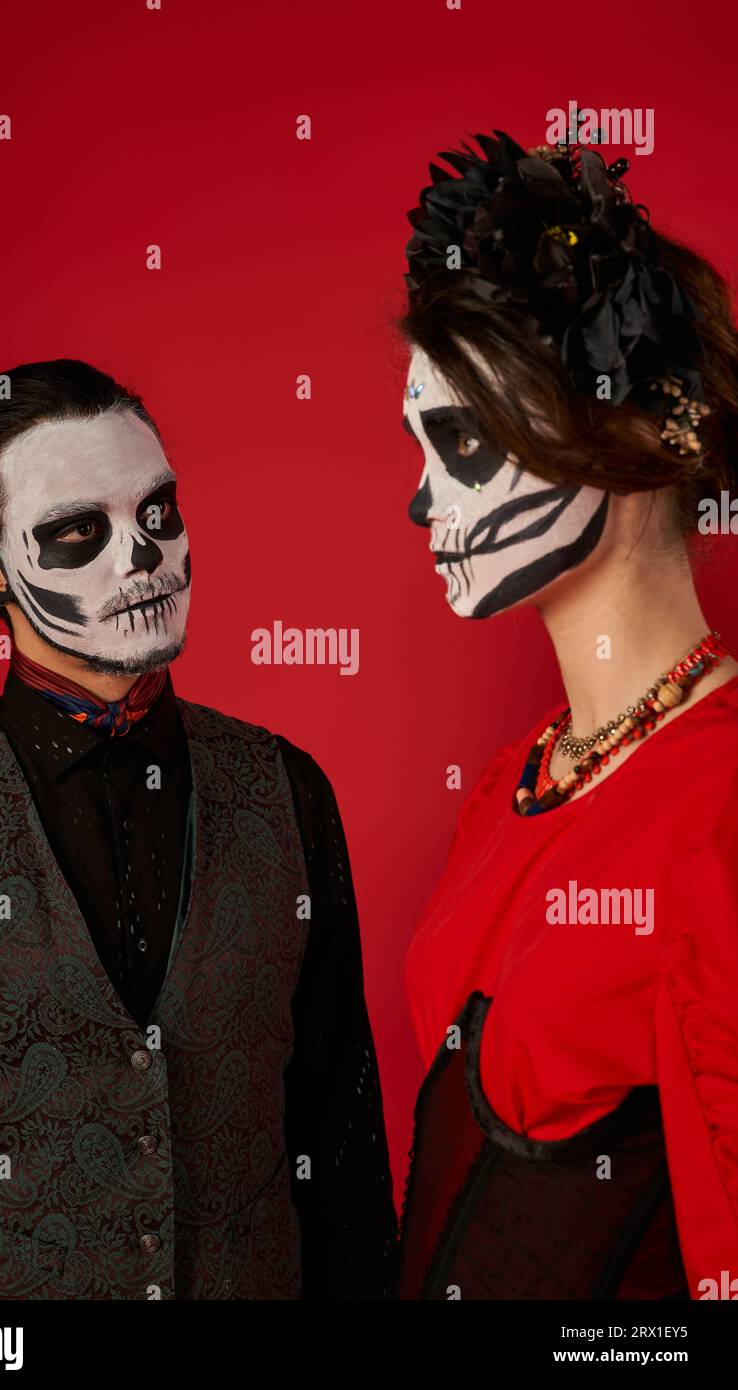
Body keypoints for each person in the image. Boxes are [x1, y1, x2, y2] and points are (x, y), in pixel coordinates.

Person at [0, 359, 397, 1300]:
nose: (143, 555)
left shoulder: (287, 791)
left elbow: (342, 1147)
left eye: (157, 513)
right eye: (80, 531)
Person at [394, 130, 738, 1300]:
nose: (416, 495)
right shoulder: (509, 784)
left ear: (640, 431)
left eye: (459, 440)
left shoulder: (721, 807)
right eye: (417, 443)